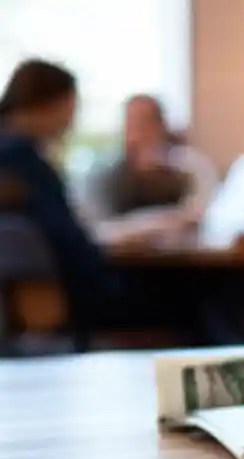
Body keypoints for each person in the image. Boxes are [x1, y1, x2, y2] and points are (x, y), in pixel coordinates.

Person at [0, 59, 112, 344]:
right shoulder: (25, 161)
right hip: (71, 297)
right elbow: (70, 244)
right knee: (200, 294)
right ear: (54, 104)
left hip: (17, 311)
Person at [85, 94, 217, 244]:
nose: (138, 131)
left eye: (145, 122)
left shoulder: (191, 165)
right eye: (131, 123)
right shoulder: (103, 173)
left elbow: (197, 215)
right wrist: (151, 225)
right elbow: (96, 229)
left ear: (162, 126)